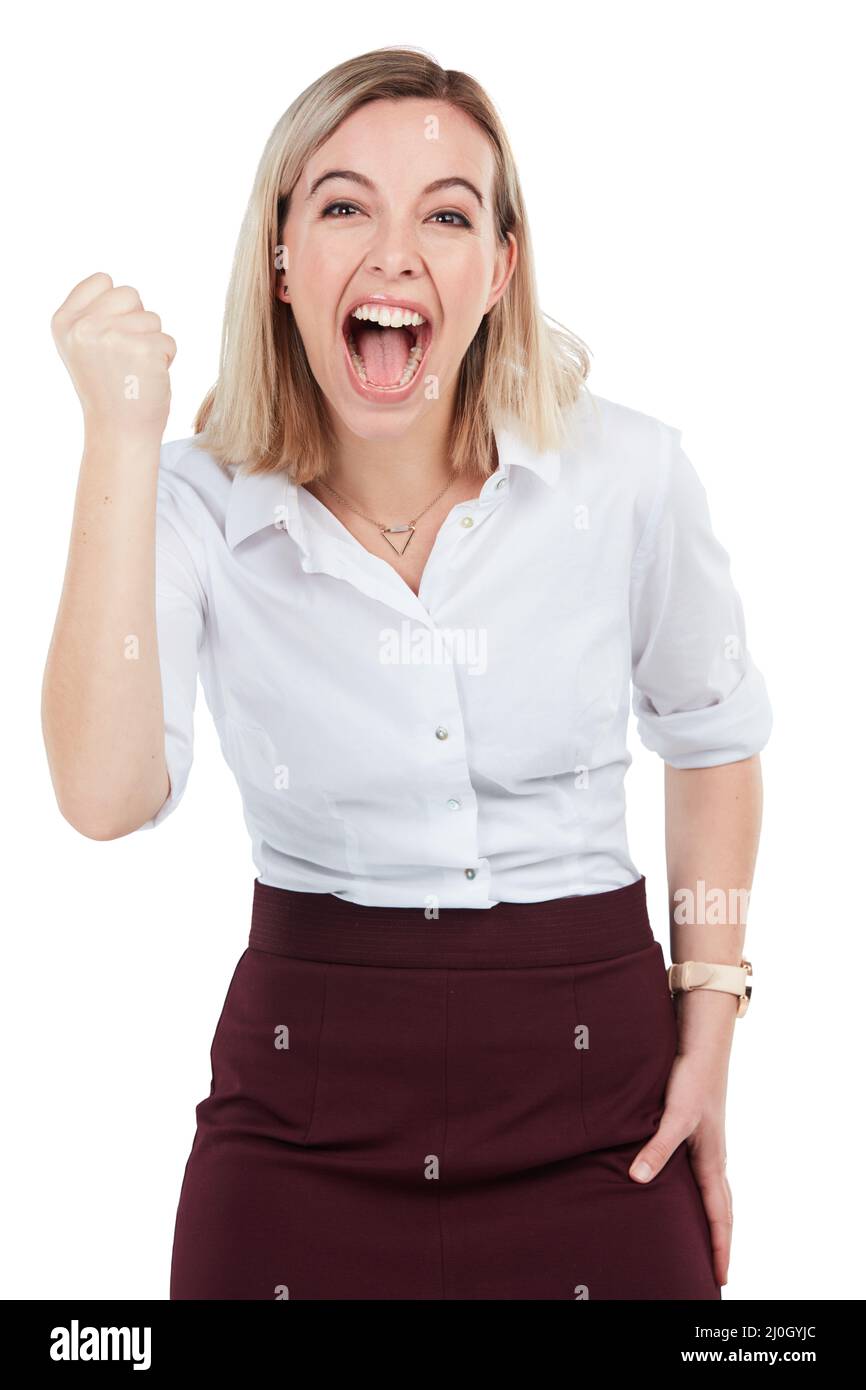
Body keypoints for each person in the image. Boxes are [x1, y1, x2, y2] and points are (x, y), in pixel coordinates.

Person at [42, 45, 772, 1301]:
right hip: (303, 1108)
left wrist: (704, 1025)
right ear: (279, 258)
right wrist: (119, 434)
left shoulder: (628, 476)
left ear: (498, 268)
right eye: (341, 206)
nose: (394, 255)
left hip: (599, 1099)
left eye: (445, 214)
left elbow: (709, 735)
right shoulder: (193, 506)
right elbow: (106, 795)